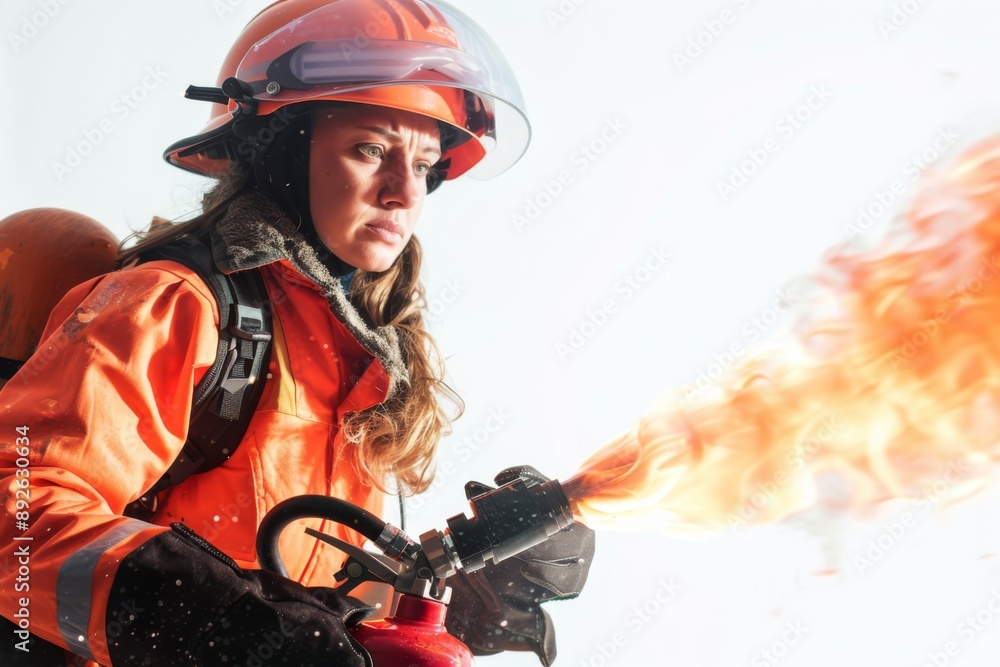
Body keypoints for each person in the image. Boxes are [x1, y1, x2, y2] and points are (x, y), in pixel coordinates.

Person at [0, 1, 593, 666]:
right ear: (281, 148)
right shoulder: (178, 307)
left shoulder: (358, 367)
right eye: (371, 149)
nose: (406, 191)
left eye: (426, 164)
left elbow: (319, 606)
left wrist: (467, 595)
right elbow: (17, 513)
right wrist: (228, 628)